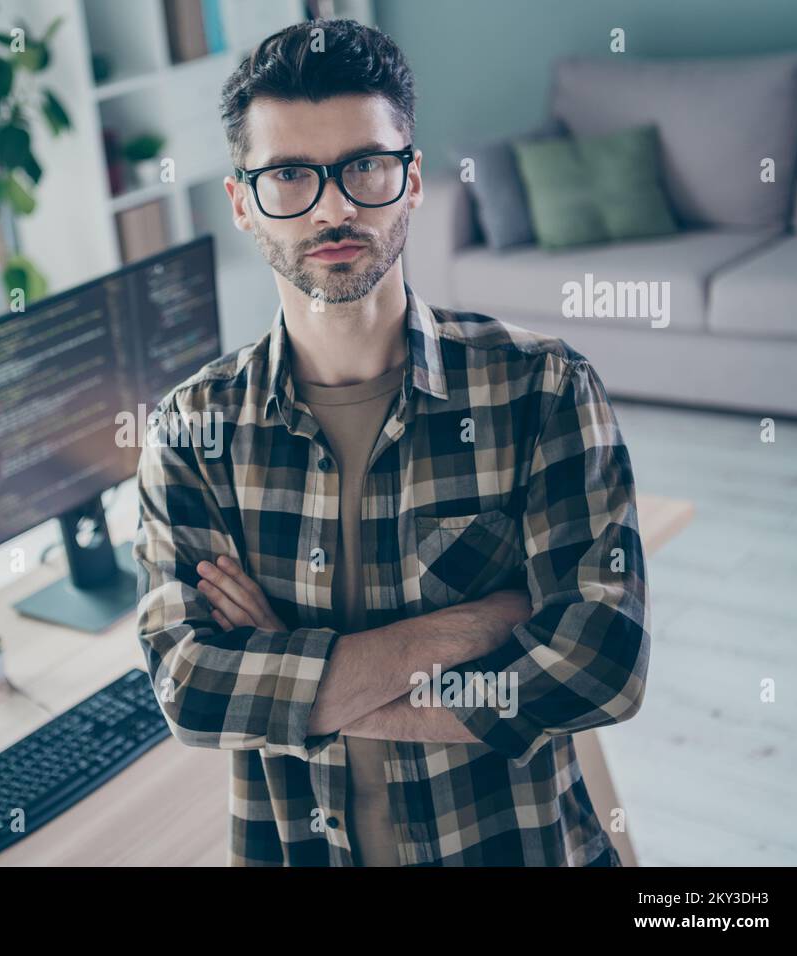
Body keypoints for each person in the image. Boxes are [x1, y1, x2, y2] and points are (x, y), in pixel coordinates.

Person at [132, 18, 649, 866]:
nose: (334, 206)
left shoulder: (545, 391)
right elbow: (191, 690)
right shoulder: (191, 434)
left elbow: (601, 665)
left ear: (412, 181)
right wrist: (473, 627)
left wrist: (287, 679)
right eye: (291, 174)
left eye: (366, 166)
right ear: (241, 203)